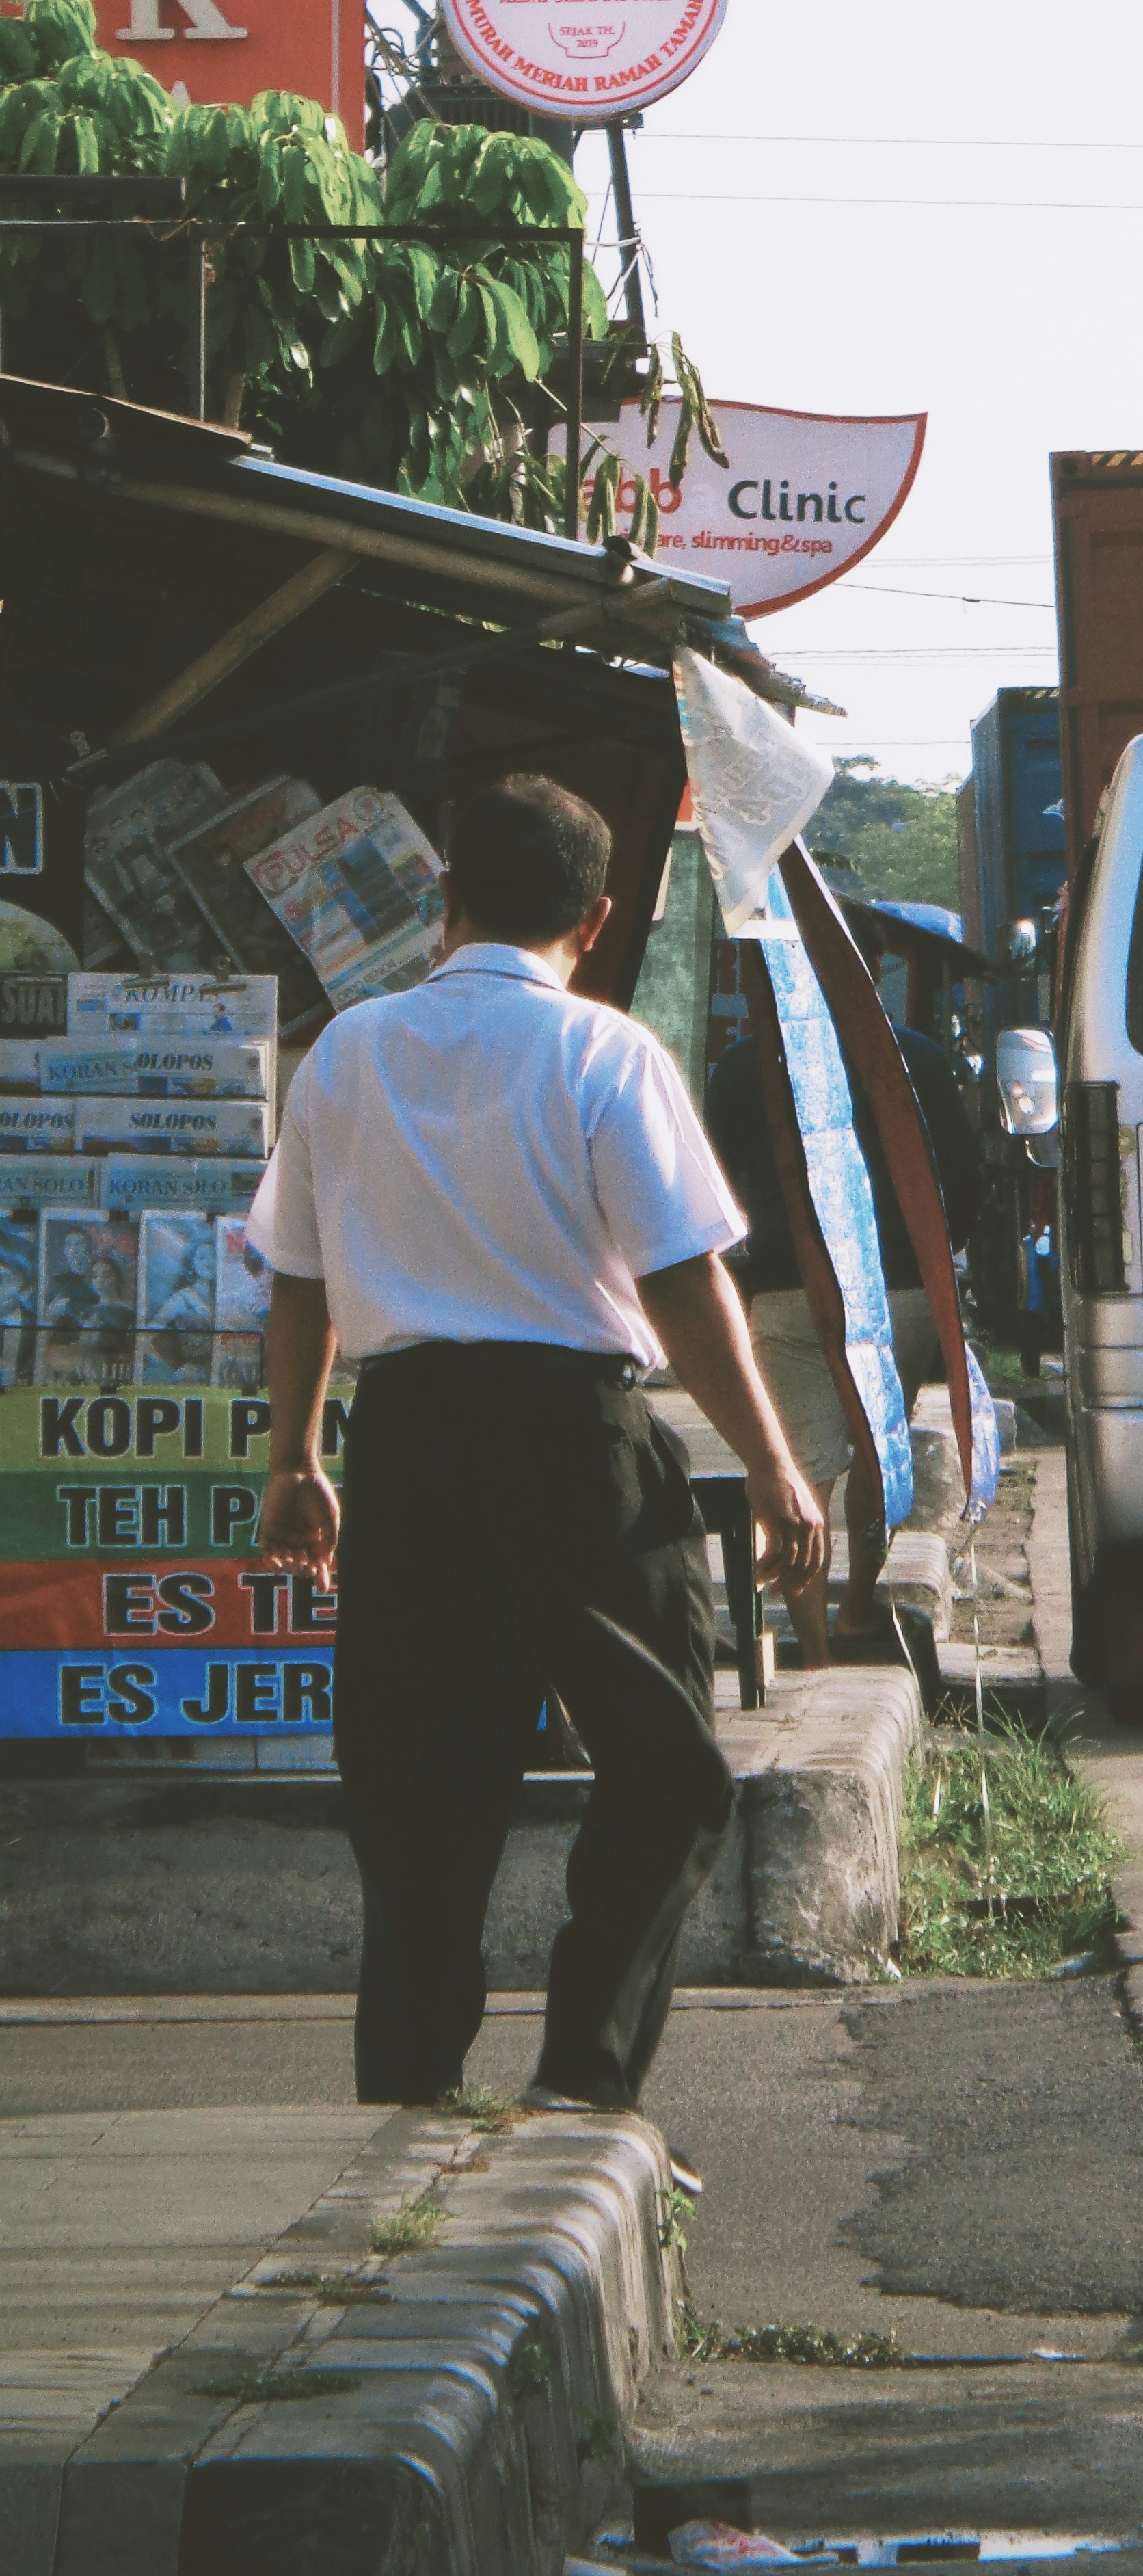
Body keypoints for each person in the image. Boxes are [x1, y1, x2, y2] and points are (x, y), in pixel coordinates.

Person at [251, 774, 826, 2116]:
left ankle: (408, 2095)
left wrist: (295, 1458)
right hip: (575, 1441)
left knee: (416, 1781)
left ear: (445, 899)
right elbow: (684, 1284)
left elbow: (294, 1277)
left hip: (403, 1444)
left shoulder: (349, 1050)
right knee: (669, 1765)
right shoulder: (607, 1053)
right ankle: (583, 2080)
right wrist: (778, 1461)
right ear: (602, 913)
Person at [704, 1002, 982, 1661]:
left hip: (785, 1288)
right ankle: (858, 1604)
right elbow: (965, 1183)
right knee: (875, 1450)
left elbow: (712, 1186)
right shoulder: (917, 1058)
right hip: (899, 1290)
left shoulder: (745, 1065)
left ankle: (817, 1647)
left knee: (803, 1472)